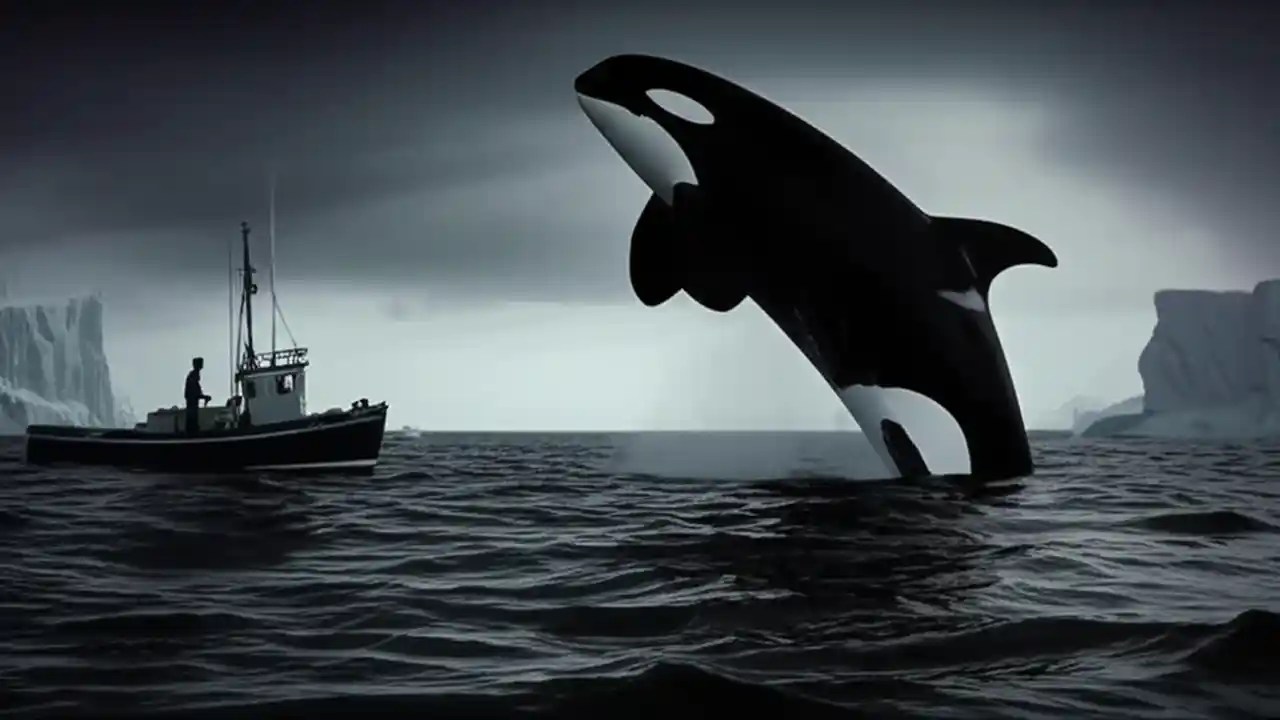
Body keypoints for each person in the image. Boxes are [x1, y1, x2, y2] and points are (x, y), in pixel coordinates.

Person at [184, 357, 212, 435]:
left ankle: (193, 429)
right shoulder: (193, 375)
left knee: (193, 416)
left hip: (192, 400)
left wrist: (203, 396)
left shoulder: (193, 375)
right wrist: (204, 397)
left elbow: (196, 389)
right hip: (191, 401)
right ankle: (191, 431)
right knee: (192, 417)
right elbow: (194, 391)